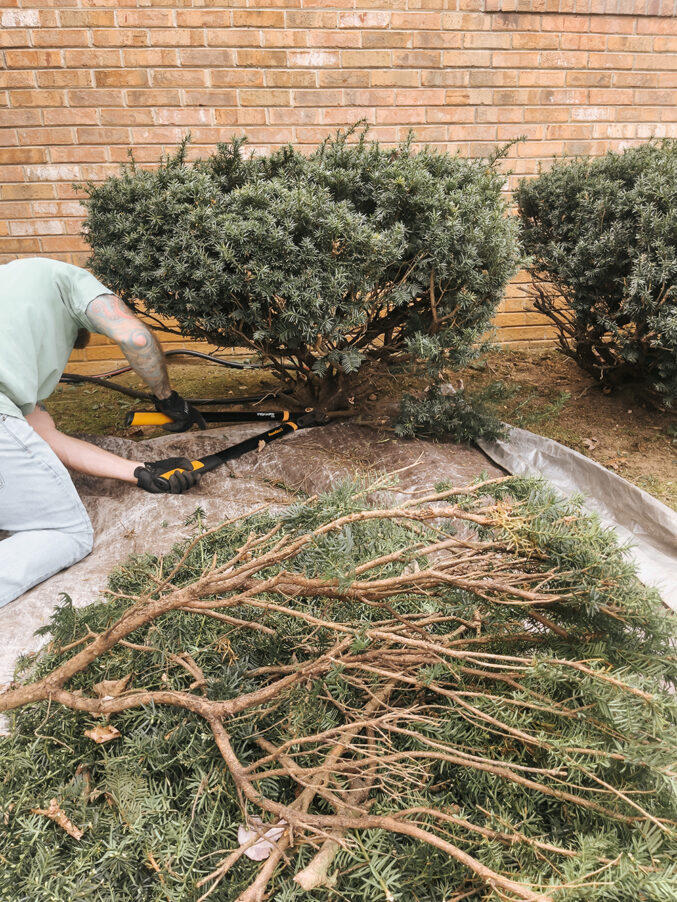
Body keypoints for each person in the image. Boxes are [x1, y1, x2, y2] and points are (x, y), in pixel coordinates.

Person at [0, 256, 206, 608]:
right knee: (65, 532)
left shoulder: (11, 289)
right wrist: (167, 398)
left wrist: (140, 471)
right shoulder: (70, 281)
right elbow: (138, 339)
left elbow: (49, 442)